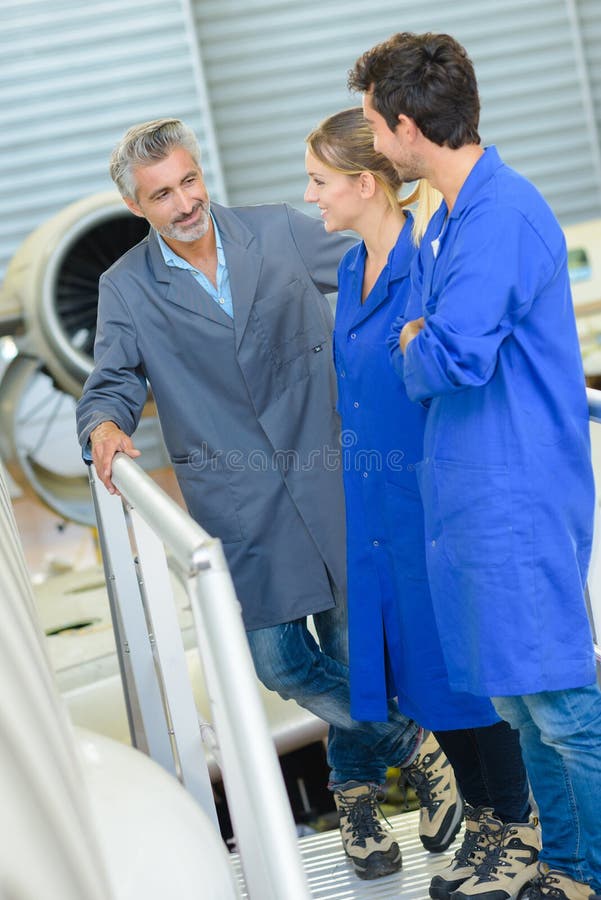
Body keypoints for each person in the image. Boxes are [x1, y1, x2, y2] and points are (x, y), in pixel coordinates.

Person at [75, 117, 460, 882]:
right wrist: (105, 426)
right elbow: (112, 380)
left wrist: (432, 322)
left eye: (189, 180)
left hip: (333, 478)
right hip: (240, 507)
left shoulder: (278, 233)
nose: (184, 202)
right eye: (162, 194)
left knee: (356, 656)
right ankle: (416, 749)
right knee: (279, 662)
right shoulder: (125, 287)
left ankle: (353, 812)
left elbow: (386, 261)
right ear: (136, 205)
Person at [349, 31, 601, 900]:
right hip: (473, 490)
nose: (375, 147)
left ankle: (593, 871)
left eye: (377, 130)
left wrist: (420, 344)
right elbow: (408, 338)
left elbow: (445, 357)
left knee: (564, 709)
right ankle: (565, 868)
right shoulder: (449, 215)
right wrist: (417, 339)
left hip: (516, 492)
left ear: (409, 126)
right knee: (524, 709)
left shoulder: (498, 214)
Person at [305, 106, 533, 900]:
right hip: (377, 507)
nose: (312, 197)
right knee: (424, 680)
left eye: (320, 181)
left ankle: (515, 828)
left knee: (465, 677)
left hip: (433, 502)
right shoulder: (346, 271)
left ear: (365, 184)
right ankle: (483, 824)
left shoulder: (426, 261)